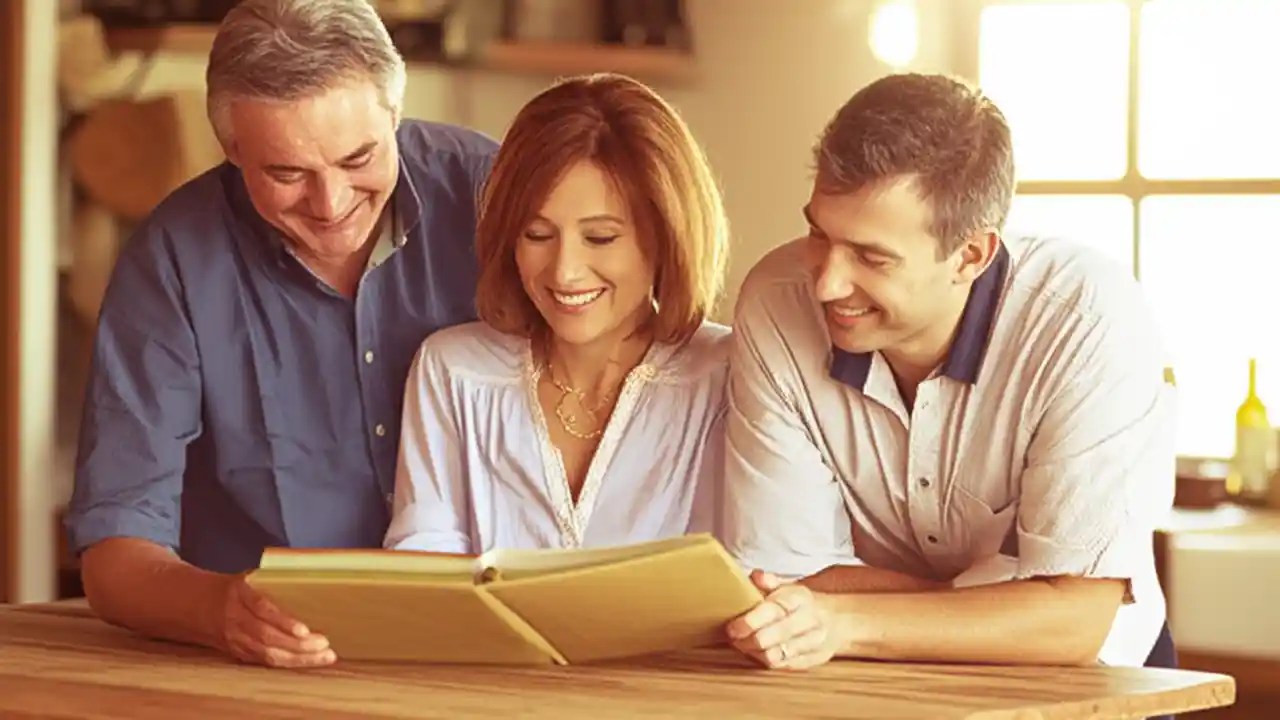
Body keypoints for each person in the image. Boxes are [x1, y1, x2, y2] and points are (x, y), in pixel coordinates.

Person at [65, 0, 496, 669]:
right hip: (263, 666)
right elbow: (115, 551)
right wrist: (217, 610)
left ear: (394, 113)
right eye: (287, 173)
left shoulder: (496, 195)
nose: (331, 205)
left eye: (359, 158)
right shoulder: (172, 261)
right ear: (232, 150)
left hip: (484, 644)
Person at [720, 72, 1177, 671]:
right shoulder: (777, 301)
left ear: (971, 255)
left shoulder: (1087, 316)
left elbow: (1075, 622)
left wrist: (846, 615)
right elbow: (780, 579)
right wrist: (1005, 609)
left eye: (870, 256)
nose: (827, 282)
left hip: (1088, 684)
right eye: (818, 233)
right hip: (864, 676)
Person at [383, 73, 731, 554]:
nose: (564, 273)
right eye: (538, 235)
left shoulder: (730, 378)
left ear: (667, 235)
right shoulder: (453, 370)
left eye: (601, 238)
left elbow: (752, 574)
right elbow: (424, 572)